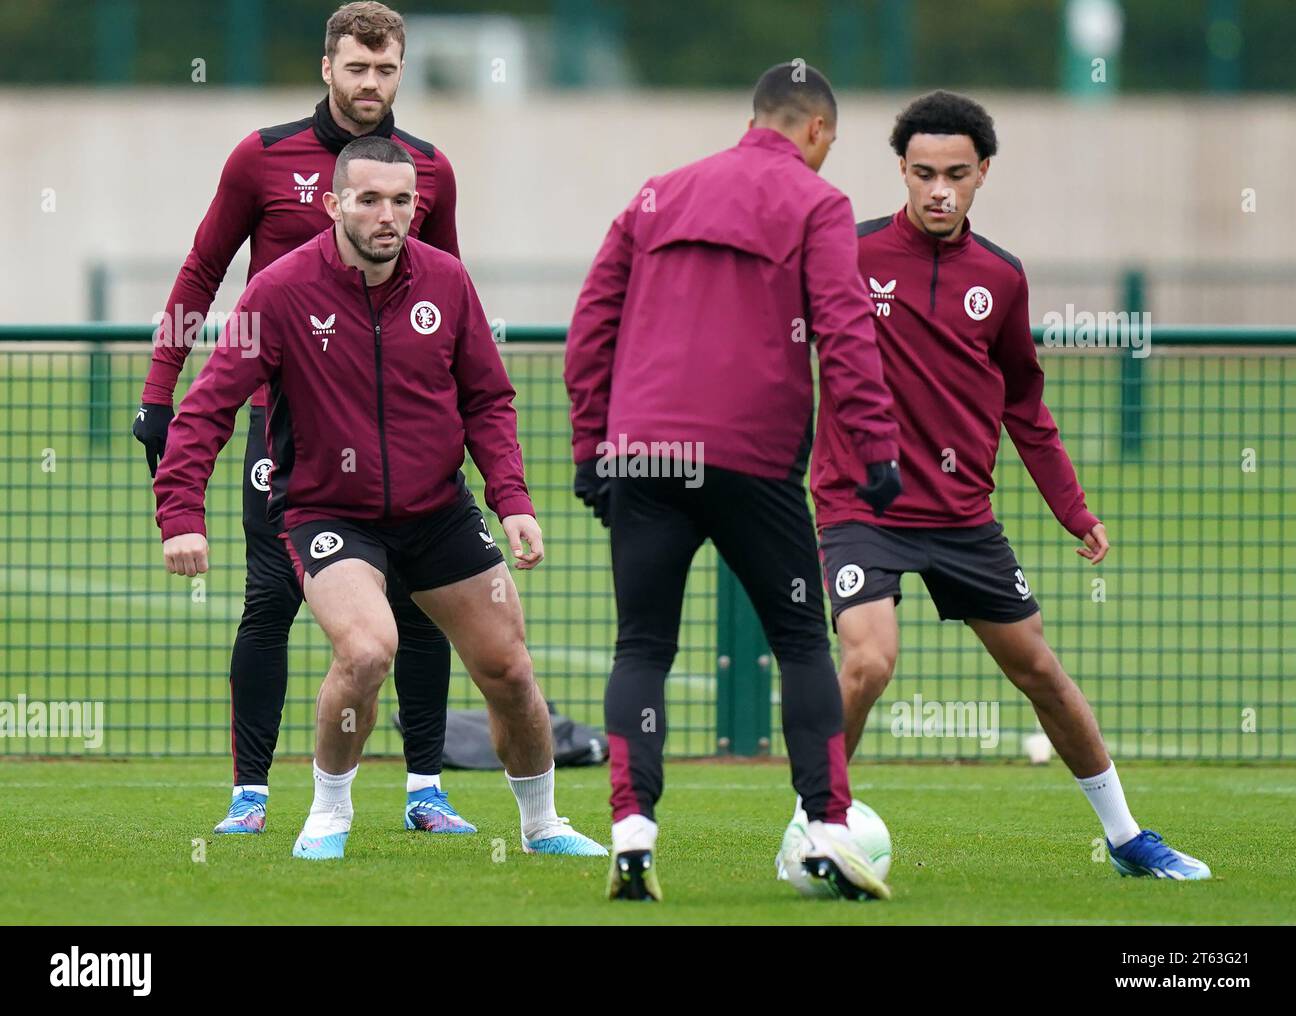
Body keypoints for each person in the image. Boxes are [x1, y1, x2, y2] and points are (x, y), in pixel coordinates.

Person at [786, 89, 1209, 881]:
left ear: (982, 172)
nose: (937, 189)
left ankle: (1126, 839)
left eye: (954, 173)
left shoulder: (1003, 279)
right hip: (859, 505)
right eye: (921, 173)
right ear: (902, 173)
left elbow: (1025, 403)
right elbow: (775, 336)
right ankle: (816, 821)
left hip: (961, 518)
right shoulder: (846, 250)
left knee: (1040, 672)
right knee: (870, 663)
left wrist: (1073, 509)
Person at [154, 136, 606, 861]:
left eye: (401, 201)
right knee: (367, 650)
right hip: (329, 515)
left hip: (439, 513)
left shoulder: (449, 282)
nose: (387, 215)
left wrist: (512, 498)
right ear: (334, 205)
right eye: (368, 200)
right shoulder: (280, 290)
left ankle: (542, 825)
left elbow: (487, 400)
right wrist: (181, 514)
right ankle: (329, 814)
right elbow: (209, 406)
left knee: (512, 671)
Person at [131, 2, 472, 837]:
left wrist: (458, 412)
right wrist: (158, 391)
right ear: (327, 68)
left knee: (422, 606)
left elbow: (450, 291)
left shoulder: (427, 170)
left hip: (401, 430)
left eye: (385, 69)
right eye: (356, 68)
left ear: (401, 71)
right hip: (280, 423)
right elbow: (202, 269)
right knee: (271, 599)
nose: (370, 84)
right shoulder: (261, 157)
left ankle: (425, 789)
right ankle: (250, 795)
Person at [566, 62, 902, 901]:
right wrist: (877, 451)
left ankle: (632, 830)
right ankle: (826, 825)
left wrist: (588, 449)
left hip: (644, 457)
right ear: (818, 130)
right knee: (799, 642)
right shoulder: (817, 204)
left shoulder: (658, 194)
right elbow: (843, 328)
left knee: (641, 646)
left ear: (753, 116)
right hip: (753, 462)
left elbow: (590, 326)